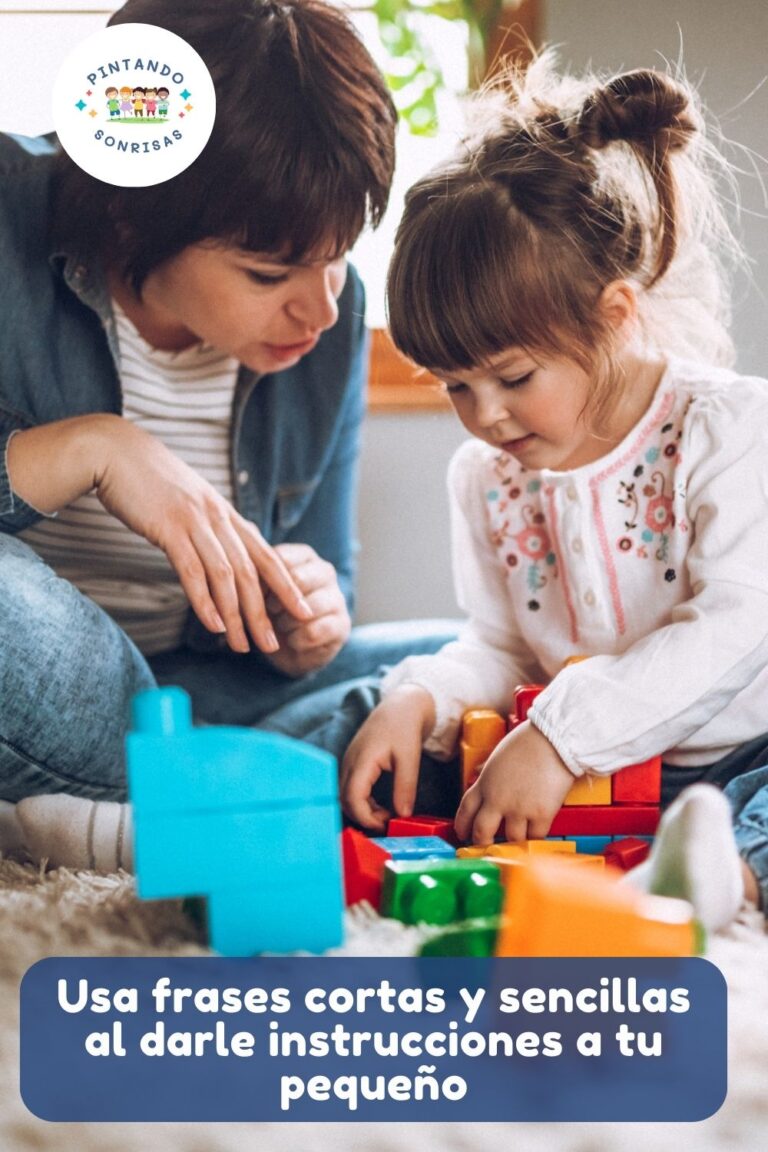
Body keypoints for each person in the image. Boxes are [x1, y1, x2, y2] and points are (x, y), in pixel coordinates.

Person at [0, 0, 455, 870]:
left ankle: (98, 814)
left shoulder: (331, 323)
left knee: (456, 667)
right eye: (269, 272)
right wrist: (96, 448)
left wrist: (306, 627)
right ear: (130, 218)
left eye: (338, 257)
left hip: (198, 690)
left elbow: (324, 578)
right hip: (50, 673)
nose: (322, 309)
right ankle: (232, 794)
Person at [340, 54, 768, 931]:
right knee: (380, 718)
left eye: (512, 377)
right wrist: (423, 699)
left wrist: (562, 739)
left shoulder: (728, 430)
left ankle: (722, 874)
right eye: (454, 386)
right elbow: (500, 645)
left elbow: (737, 625)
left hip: (739, 754)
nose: (484, 416)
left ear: (614, 316)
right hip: (576, 775)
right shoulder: (488, 477)